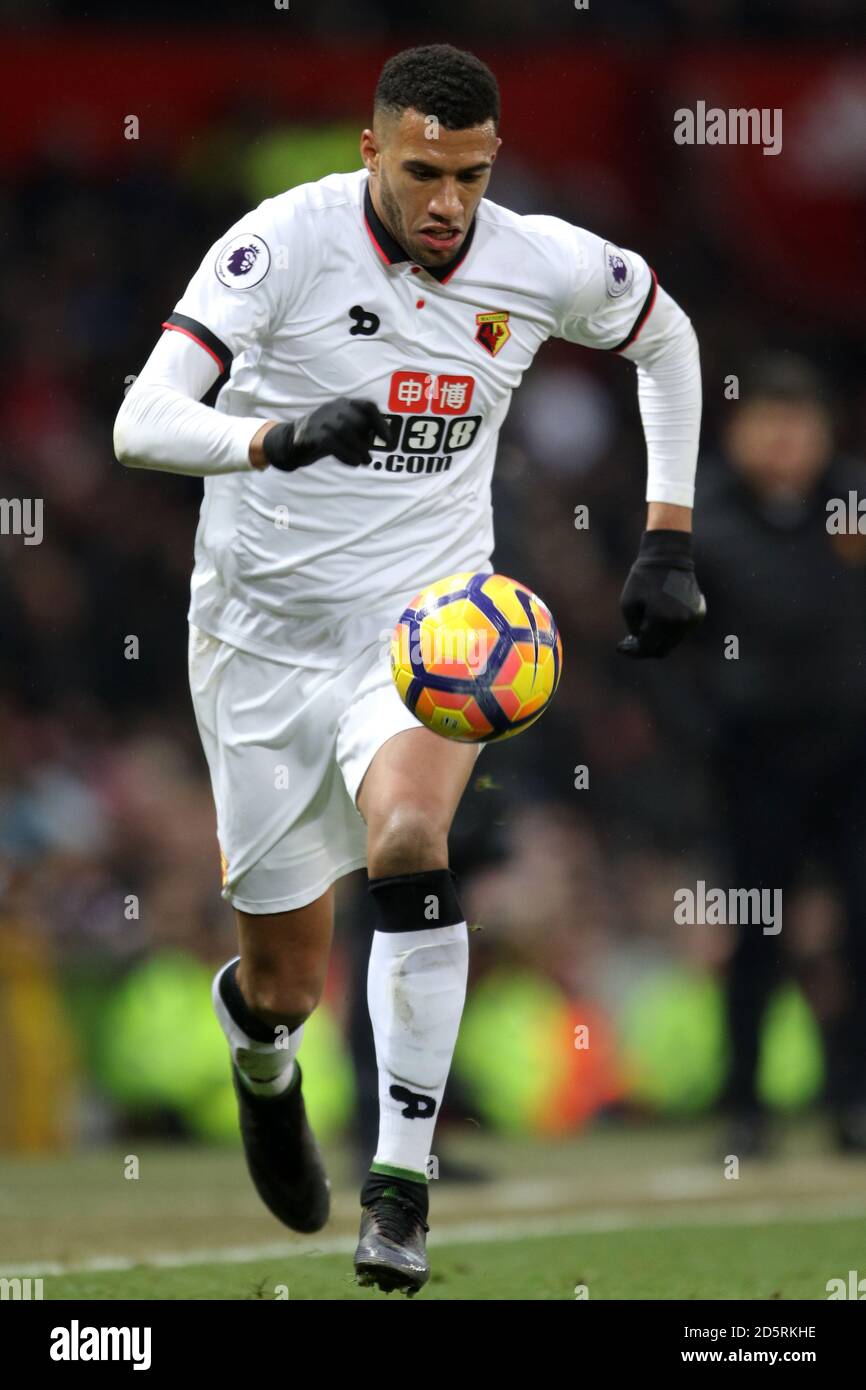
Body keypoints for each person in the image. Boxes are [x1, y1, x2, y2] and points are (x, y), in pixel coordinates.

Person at [113, 43, 704, 1296]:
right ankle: (262, 1053)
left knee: (407, 839)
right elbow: (141, 422)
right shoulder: (280, 243)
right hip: (261, 639)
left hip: (427, 627)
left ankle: (400, 1187)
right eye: (424, 171)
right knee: (285, 979)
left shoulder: (536, 260)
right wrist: (273, 439)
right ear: (368, 147)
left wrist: (664, 532)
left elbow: (669, 336)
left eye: (471, 176)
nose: (447, 202)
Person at [688, 355, 866, 1157]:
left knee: (860, 927)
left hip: (855, 755)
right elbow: (665, 650)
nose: (787, 440)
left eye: (802, 423)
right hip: (753, 758)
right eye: (771, 420)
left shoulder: (854, 501)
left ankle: (853, 1099)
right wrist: (706, 729)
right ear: (740, 428)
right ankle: (746, 1106)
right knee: (757, 932)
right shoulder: (701, 516)